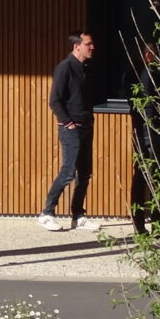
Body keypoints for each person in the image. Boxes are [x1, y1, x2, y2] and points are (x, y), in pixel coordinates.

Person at [40, 31, 98, 232]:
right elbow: (54, 100)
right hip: (71, 129)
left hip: (86, 126)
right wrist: (68, 122)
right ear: (77, 46)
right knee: (68, 172)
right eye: (88, 44)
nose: (92, 47)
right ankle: (47, 213)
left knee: (85, 173)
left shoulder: (86, 69)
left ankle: (78, 215)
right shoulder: (65, 68)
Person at [126, 41, 160, 237]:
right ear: (148, 56)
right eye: (156, 55)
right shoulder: (146, 75)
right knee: (151, 179)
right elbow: (149, 108)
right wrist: (154, 135)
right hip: (151, 134)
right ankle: (150, 225)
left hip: (148, 133)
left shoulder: (140, 74)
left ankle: (149, 224)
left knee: (150, 179)